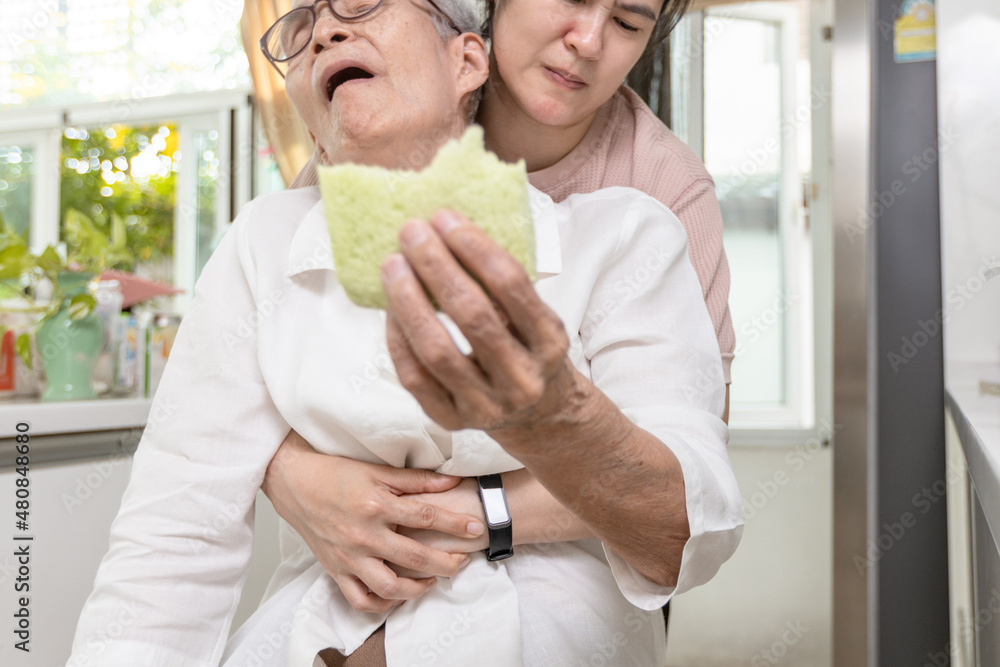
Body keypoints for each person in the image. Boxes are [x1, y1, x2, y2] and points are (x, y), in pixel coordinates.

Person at [68, 1, 742, 666]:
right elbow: (173, 534)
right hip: (316, 615)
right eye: (303, 25)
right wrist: (279, 468)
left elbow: (690, 519)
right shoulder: (264, 242)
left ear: (467, 60)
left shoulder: (635, 227)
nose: (325, 30)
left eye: (365, 4)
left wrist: (553, 423)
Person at [265, 0, 736, 618]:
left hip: (578, 595)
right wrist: (293, 479)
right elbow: (257, 361)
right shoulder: (395, 115)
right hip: (362, 592)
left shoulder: (664, 191)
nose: (589, 41)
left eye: (627, 24)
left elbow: (683, 488)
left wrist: (449, 516)